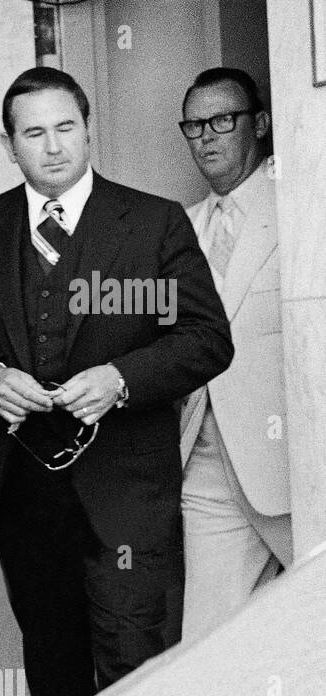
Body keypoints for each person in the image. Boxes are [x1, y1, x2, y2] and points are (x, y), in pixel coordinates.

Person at [0, 67, 233, 696]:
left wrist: (121, 377)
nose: (53, 146)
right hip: (22, 494)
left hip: (126, 493)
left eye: (65, 128)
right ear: (8, 145)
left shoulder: (153, 223)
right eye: (34, 133)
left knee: (132, 669)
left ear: (88, 131)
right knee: (53, 672)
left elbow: (208, 339)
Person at [177, 67, 292, 639]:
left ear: (262, 124)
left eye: (222, 120)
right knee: (208, 642)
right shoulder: (181, 228)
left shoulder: (303, 205)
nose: (206, 136)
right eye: (194, 125)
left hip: (295, 461)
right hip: (205, 462)